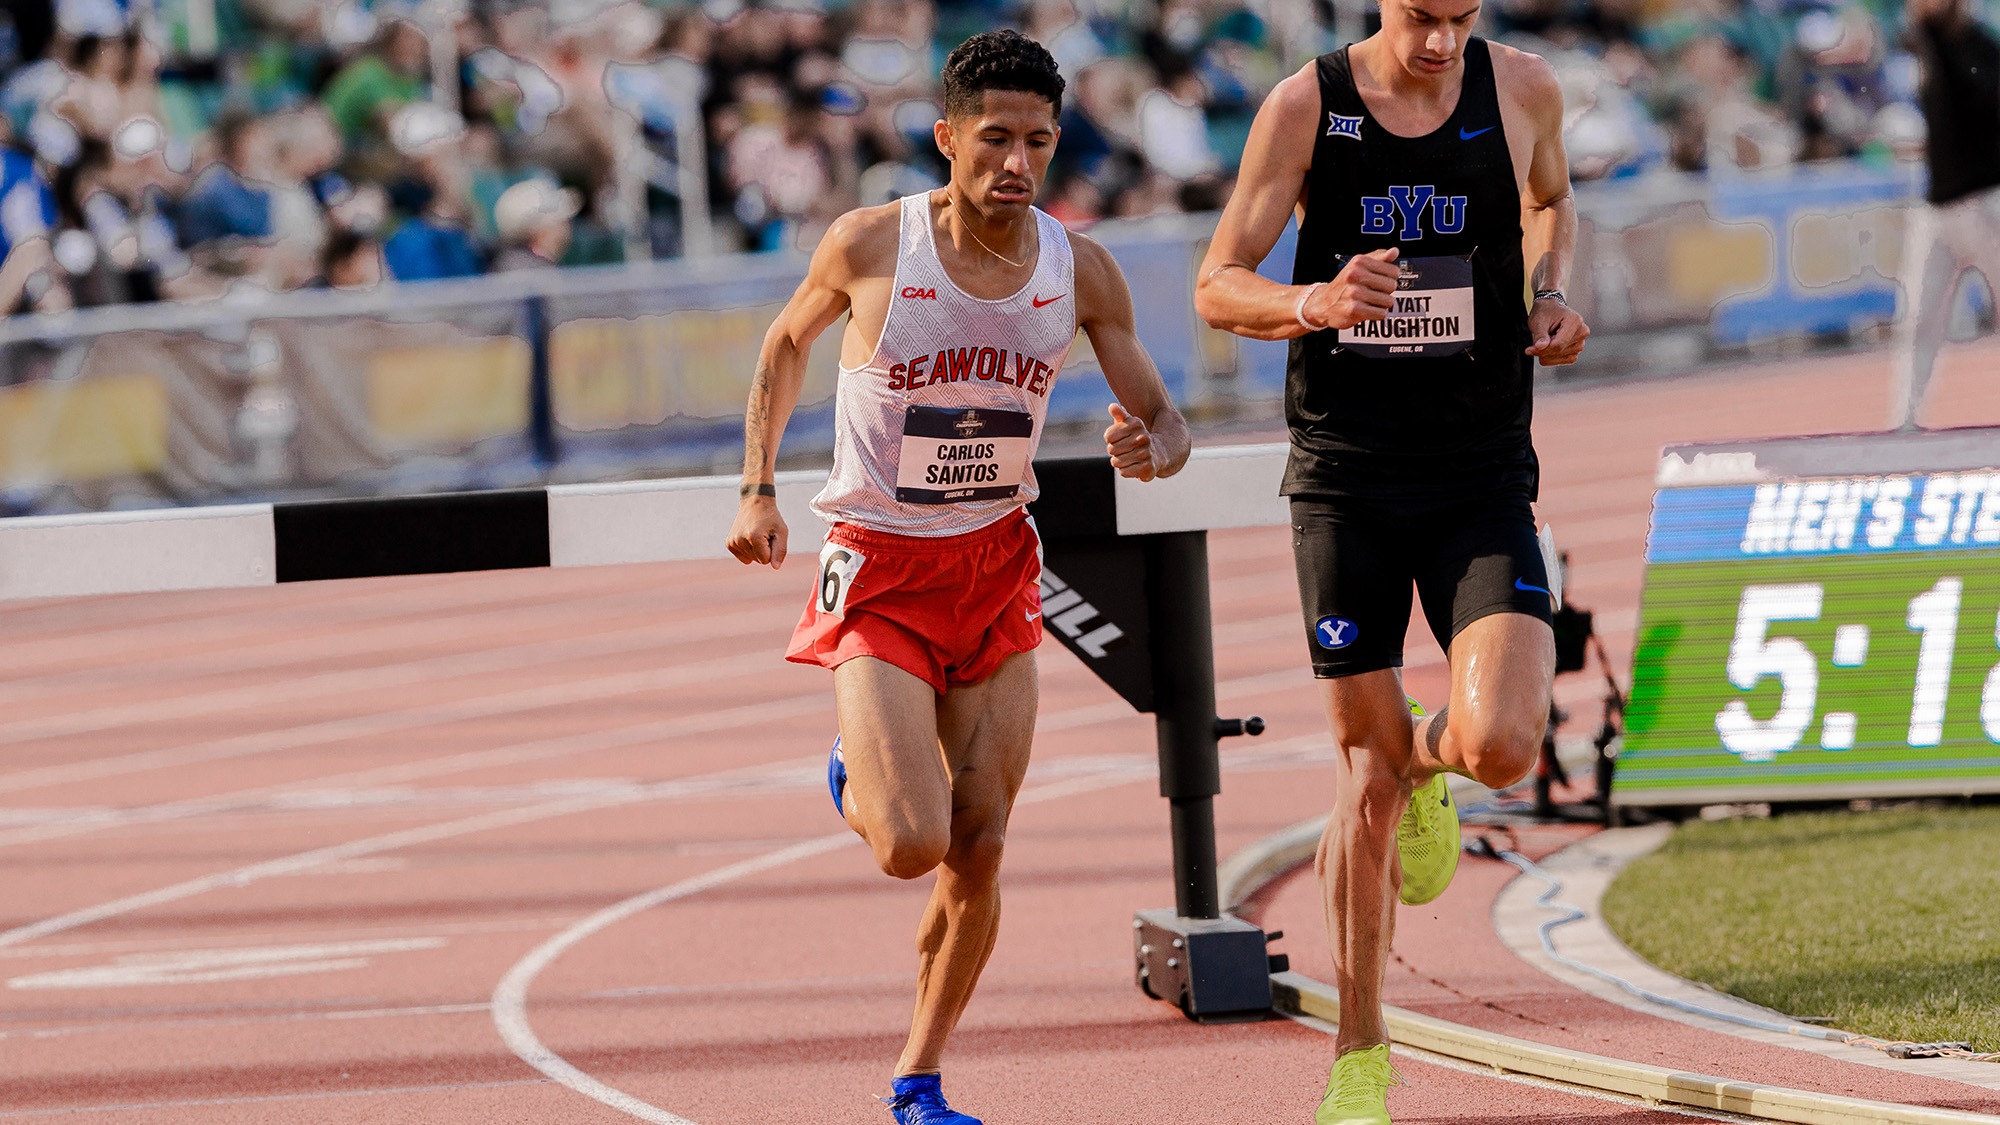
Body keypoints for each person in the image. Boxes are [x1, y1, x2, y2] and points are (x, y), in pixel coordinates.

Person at [725, 30, 1190, 1125]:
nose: (1015, 162)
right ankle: (857, 766)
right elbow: (782, 348)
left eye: (1035, 141)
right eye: (992, 140)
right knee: (911, 843)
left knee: (979, 849)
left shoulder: (1081, 269)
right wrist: (756, 490)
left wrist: (1156, 442)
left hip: (994, 565)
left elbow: (1158, 414)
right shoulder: (872, 245)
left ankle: (918, 1077)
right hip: (880, 567)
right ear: (946, 138)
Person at [1192, 1, 1588, 1121]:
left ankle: (1428, 763)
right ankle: (1360, 1060)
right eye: (1421, 17)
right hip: (1345, 478)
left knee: (1502, 746)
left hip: (1477, 474)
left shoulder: (1517, 88)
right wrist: (1310, 301)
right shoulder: (1304, 106)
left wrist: (1547, 290)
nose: (1440, 42)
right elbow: (1216, 281)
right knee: (1358, 778)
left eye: (1461, 16)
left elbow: (1549, 196)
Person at [1888, 0, 2000, 432]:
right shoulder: (1926, 46)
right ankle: (1904, 423)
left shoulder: (1981, 50)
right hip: (1936, 209)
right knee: (1917, 319)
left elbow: (1968, 102)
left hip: (1986, 201)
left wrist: (1934, 31)